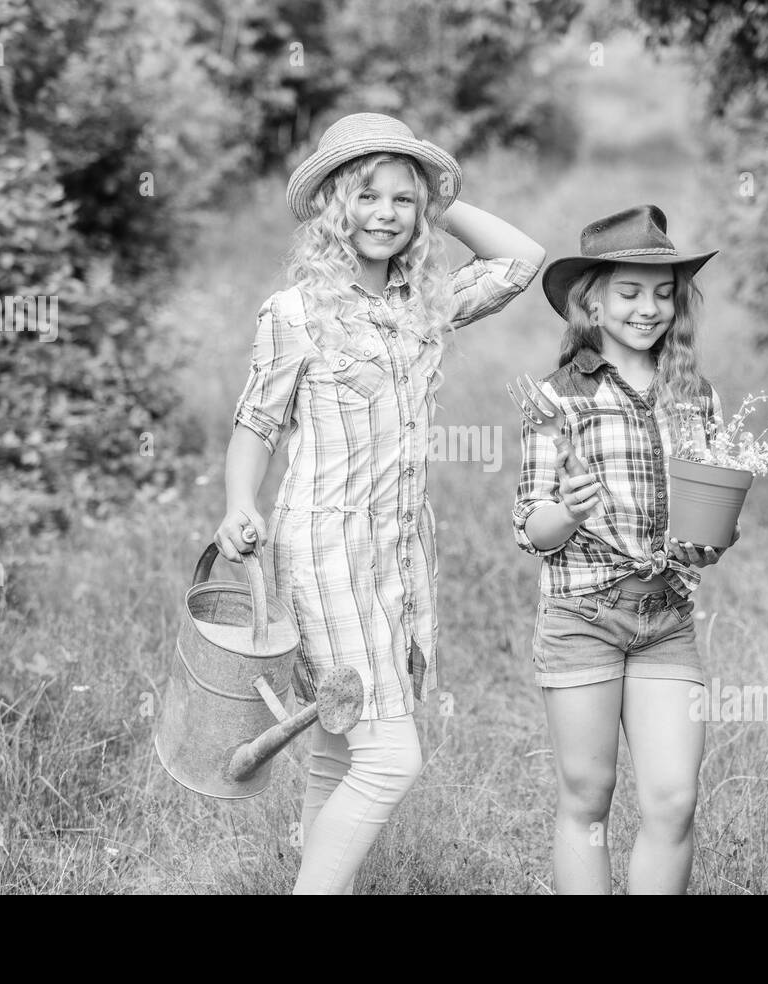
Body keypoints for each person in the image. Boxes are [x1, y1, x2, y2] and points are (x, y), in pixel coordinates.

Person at [218, 112, 545, 894]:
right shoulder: (293, 313)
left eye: (404, 200)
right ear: (335, 202)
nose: (386, 214)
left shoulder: (424, 305)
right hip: (322, 545)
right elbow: (255, 423)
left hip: (397, 551)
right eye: (368, 194)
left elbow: (523, 259)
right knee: (392, 756)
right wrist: (238, 503)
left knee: (340, 745)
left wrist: (442, 195)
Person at [512, 203, 738, 894]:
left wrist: (709, 544)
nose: (648, 309)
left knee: (673, 801)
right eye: (630, 292)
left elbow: (712, 522)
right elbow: (530, 527)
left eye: (663, 294)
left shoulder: (695, 396)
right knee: (588, 800)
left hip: (666, 618)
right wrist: (565, 510)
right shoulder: (559, 399)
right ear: (593, 300)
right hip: (583, 615)